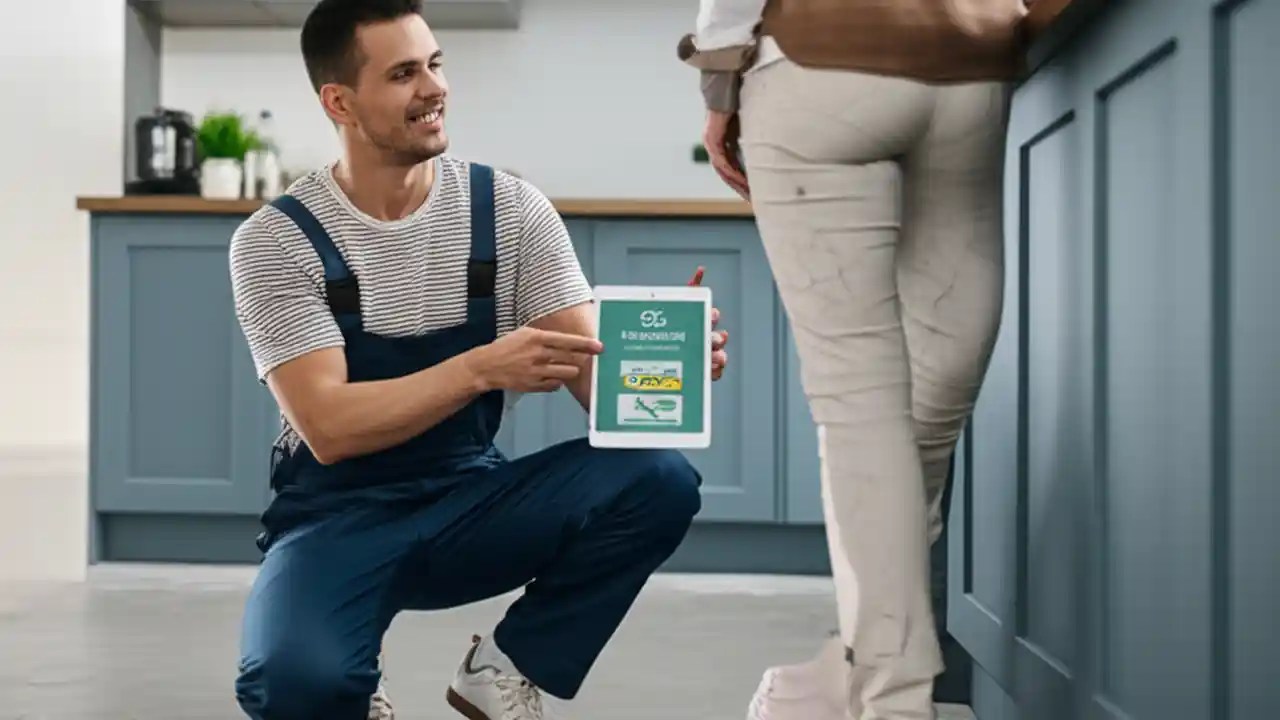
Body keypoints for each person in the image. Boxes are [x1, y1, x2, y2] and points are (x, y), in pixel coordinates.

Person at [228, 1, 730, 719]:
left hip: (468, 503)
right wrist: (481, 369)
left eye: (435, 64)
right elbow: (329, 427)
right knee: (294, 685)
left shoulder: (510, 211)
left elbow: (603, 388)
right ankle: (347, 679)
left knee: (659, 477)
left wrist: (667, 365)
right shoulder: (276, 240)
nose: (434, 87)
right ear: (339, 102)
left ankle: (504, 668)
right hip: (335, 520)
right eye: (403, 73)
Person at [678, 1, 1030, 718]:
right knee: (924, 408)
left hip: (818, 62)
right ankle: (864, 666)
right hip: (972, 57)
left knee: (864, 405)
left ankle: (886, 694)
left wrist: (719, 87)